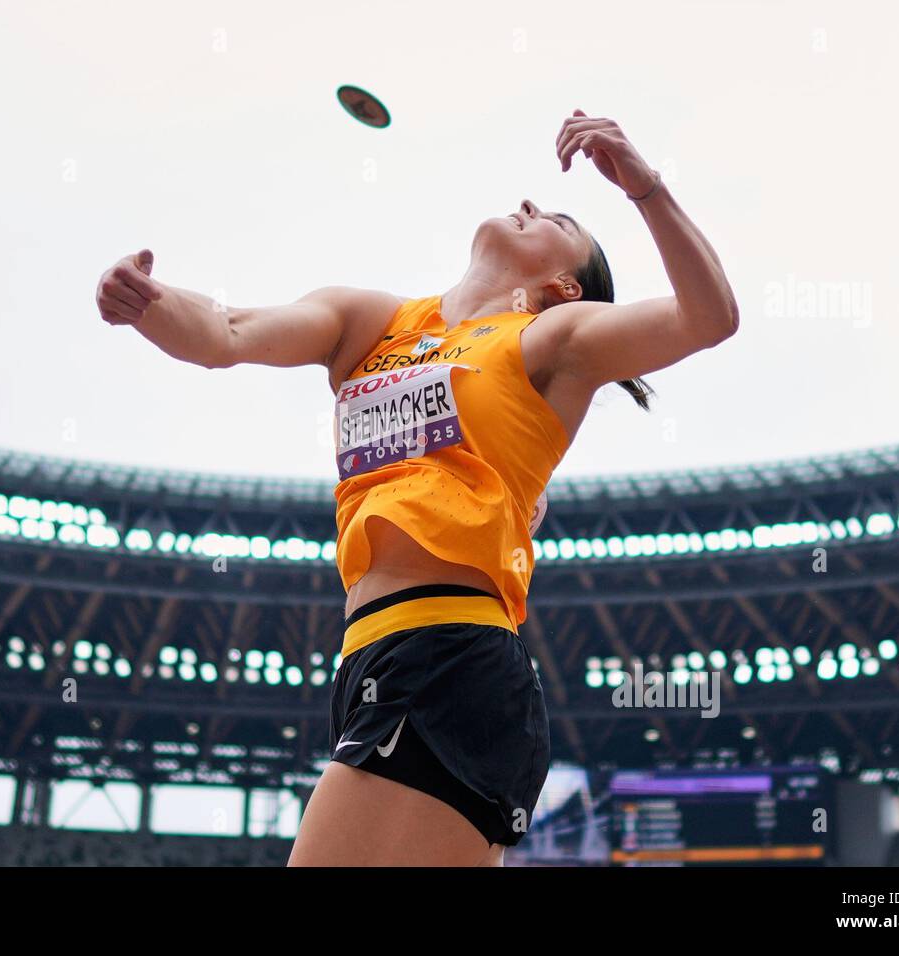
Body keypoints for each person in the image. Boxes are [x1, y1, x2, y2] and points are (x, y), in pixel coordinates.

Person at [95, 110, 739, 866]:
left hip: (447, 657)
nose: (531, 204)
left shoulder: (551, 342)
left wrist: (645, 188)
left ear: (565, 286)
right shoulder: (373, 321)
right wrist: (148, 300)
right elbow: (226, 332)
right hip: (373, 659)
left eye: (559, 219)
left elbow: (710, 318)